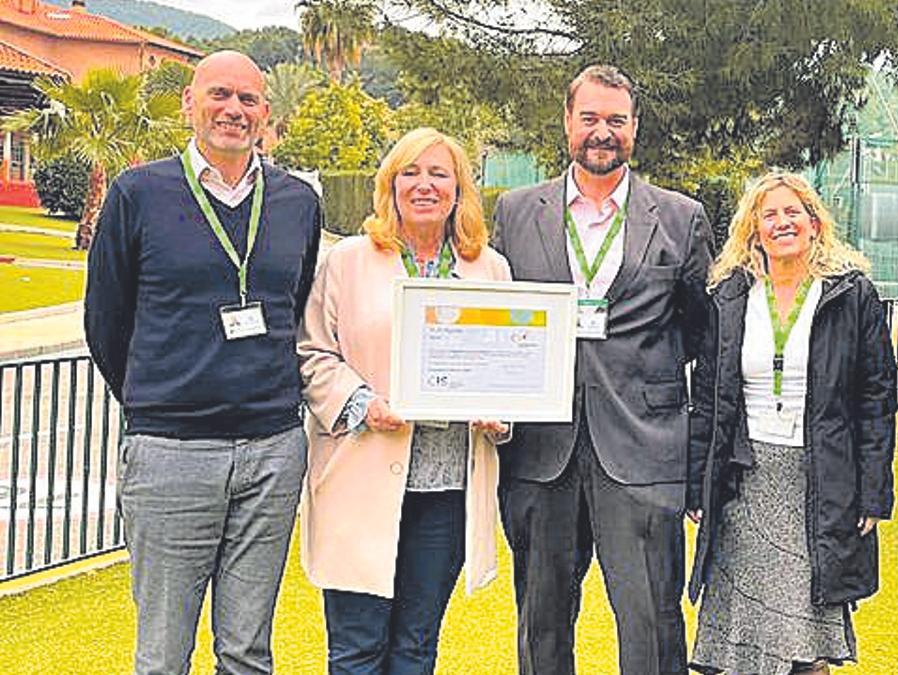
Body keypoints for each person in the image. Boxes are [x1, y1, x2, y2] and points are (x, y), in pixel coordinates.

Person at [84, 50, 322, 674]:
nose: (233, 111)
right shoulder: (138, 194)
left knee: (247, 652)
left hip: (273, 449)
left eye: (247, 100)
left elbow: (290, 306)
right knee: (163, 654)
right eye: (220, 95)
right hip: (172, 452)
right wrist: (160, 396)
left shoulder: (297, 201)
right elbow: (106, 322)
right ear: (190, 104)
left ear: (265, 114)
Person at [490, 64, 713, 674]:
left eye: (616, 120)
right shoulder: (514, 211)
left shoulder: (679, 217)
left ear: (635, 128)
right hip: (540, 452)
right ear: (568, 122)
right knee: (541, 622)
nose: (602, 132)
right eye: (589, 118)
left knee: (652, 624)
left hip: (643, 451)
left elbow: (699, 331)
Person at [297, 127, 512, 674]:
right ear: (390, 186)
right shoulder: (348, 260)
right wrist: (361, 402)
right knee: (356, 650)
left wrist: (500, 411)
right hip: (361, 476)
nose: (424, 185)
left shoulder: (489, 268)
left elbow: (509, 366)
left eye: (439, 174)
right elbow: (313, 353)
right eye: (409, 173)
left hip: (446, 489)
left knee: (416, 649)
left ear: (460, 189)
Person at [687, 172, 898, 674]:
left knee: (804, 637)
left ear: (813, 221)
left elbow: (877, 401)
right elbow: (708, 397)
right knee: (743, 636)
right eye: (769, 214)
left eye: (792, 212)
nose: (782, 223)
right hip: (745, 481)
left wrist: (871, 494)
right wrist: (698, 483)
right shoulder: (730, 296)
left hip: (820, 482)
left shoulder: (851, 295)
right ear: (753, 229)